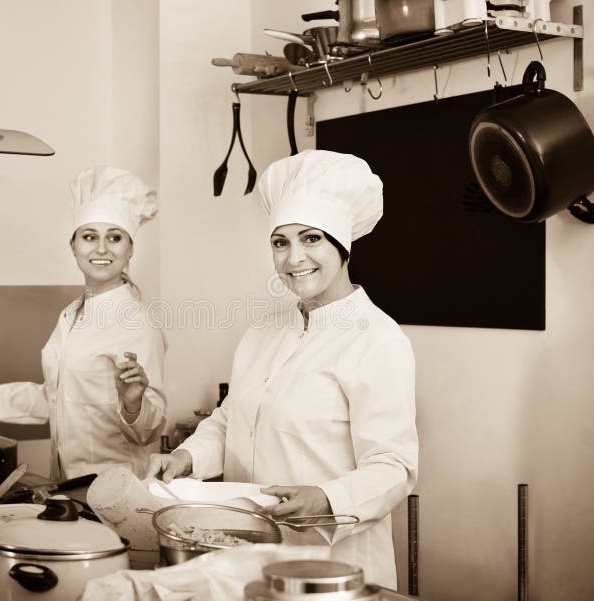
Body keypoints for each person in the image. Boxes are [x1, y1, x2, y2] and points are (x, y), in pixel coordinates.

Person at [145, 149, 418, 588]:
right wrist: (187, 456)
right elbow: (233, 417)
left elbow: (394, 466)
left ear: (342, 246)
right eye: (281, 242)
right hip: (249, 556)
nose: (294, 259)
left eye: (312, 239)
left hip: (333, 568)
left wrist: (327, 498)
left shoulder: (377, 339)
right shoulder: (264, 330)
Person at [0, 166, 167, 479]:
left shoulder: (137, 323)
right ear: (74, 246)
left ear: (130, 248)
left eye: (115, 237)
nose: (101, 248)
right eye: (90, 237)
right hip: (69, 488)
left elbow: (150, 429)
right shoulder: (72, 315)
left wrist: (133, 405)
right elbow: (56, 398)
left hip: (117, 492)